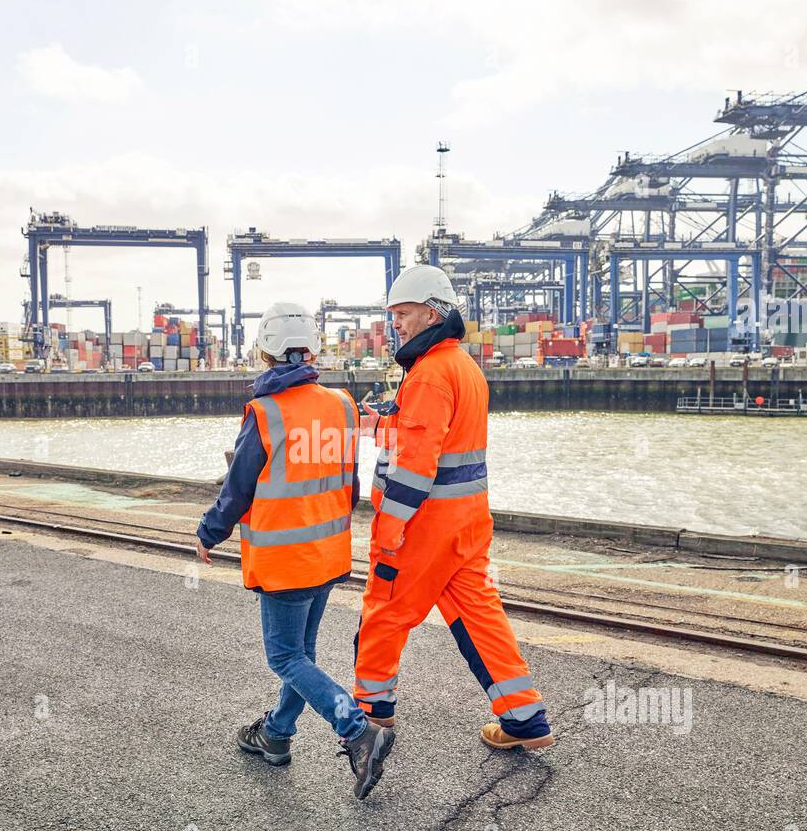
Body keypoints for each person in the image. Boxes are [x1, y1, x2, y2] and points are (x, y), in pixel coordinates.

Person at [196, 302, 395, 800]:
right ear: (314, 348)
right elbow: (349, 486)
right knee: (301, 654)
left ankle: (356, 731)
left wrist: (207, 532)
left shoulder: (264, 414)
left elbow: (238, 489)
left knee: (285, 656)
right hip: (328, 554)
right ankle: (277, 735)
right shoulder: (343, 405)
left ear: (264, 351)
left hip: (285, 561)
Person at [354, 266, 554, 750]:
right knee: (478, 613)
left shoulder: (428, 375)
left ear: (432, 312)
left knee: (384, 612)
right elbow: (437, 441)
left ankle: (370, 721)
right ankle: (524, 718)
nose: (395, 324)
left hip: (423, 529)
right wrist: (375, 425)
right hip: (467, 524)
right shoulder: (464, 368)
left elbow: (417, 467)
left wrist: (390, 528)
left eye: (402, 314)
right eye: (392, 315)